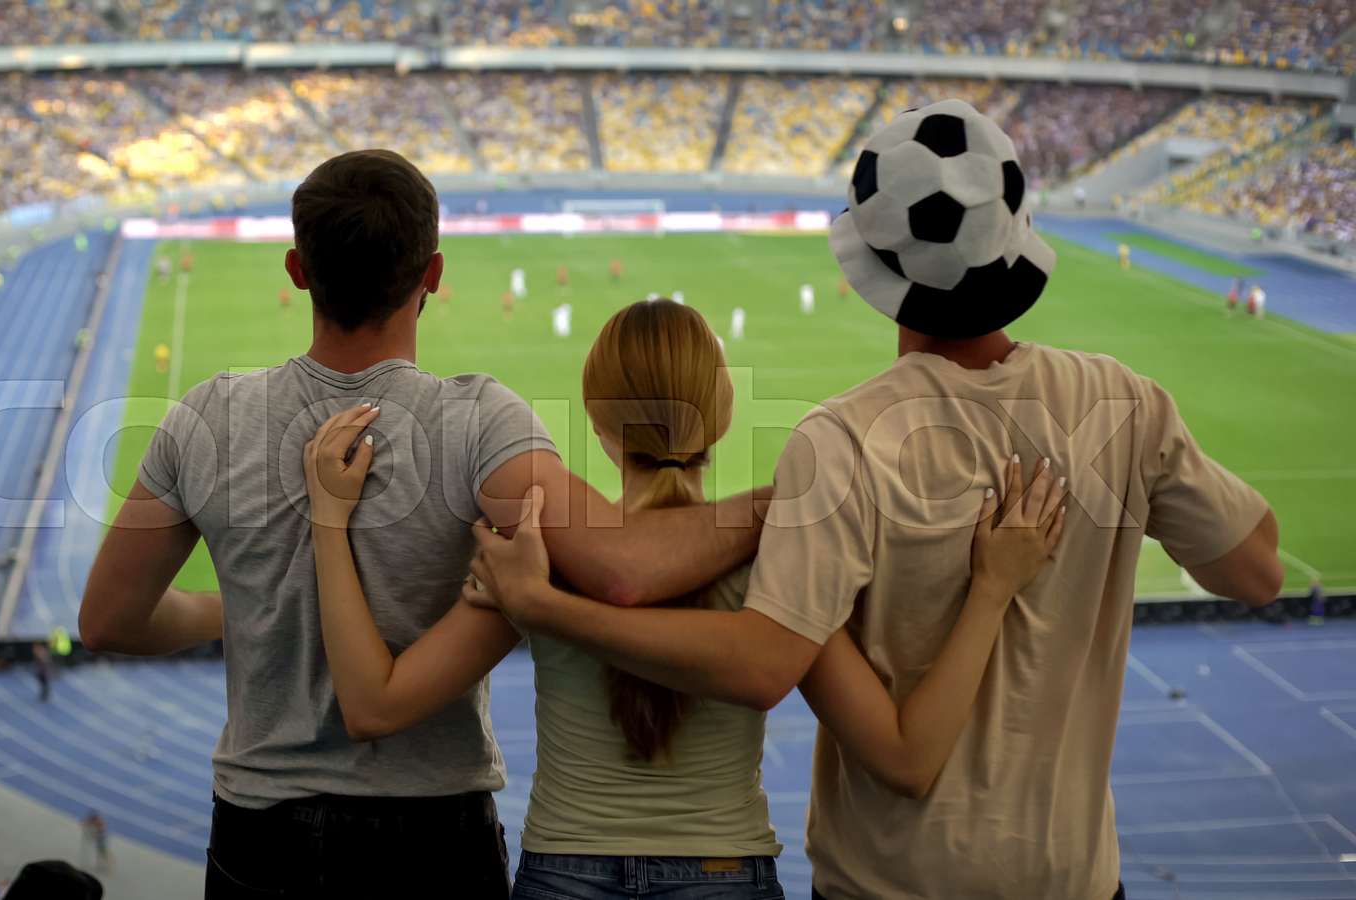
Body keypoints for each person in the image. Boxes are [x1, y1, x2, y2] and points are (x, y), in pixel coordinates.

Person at [466, 101, 1283, 900]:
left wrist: (546, 603)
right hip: (1073, 878)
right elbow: (1257, 572)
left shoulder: (843, 444)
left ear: (873, 269)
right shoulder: (1126, 404)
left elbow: (766, 665)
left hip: (885, 879)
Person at [79, 150, 767, 900]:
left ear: (297, 270)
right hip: (432, 829)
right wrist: (778, 499)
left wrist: (240, 609)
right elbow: (623, 568)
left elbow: (109, 620)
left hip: (259, 826)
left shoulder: (204, 419)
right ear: (432, 274)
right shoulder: (480, 422)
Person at [305, 300, 1063, 900]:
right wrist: (992, 589)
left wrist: (330, 524)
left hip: (564, 873)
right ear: (722, 415)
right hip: (725, 875)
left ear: (598, 426)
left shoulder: (531, 558)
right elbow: (907, 756)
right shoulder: (780, 563)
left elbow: (375, 704)